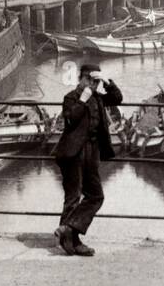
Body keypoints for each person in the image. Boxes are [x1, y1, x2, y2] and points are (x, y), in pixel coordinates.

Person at [53, 62, 124, 256]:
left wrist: (107, 82)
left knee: (96, 195)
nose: (93, 85)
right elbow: (69, 119)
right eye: (90, 80)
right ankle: (72, 241)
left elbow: (118, 98)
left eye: (95, 81)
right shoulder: (71, 98)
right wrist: (83, 100)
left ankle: (67, 230)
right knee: (73, 196)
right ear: (82, 79)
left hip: (92, 152)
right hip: (73, 152)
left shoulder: (99, 98)